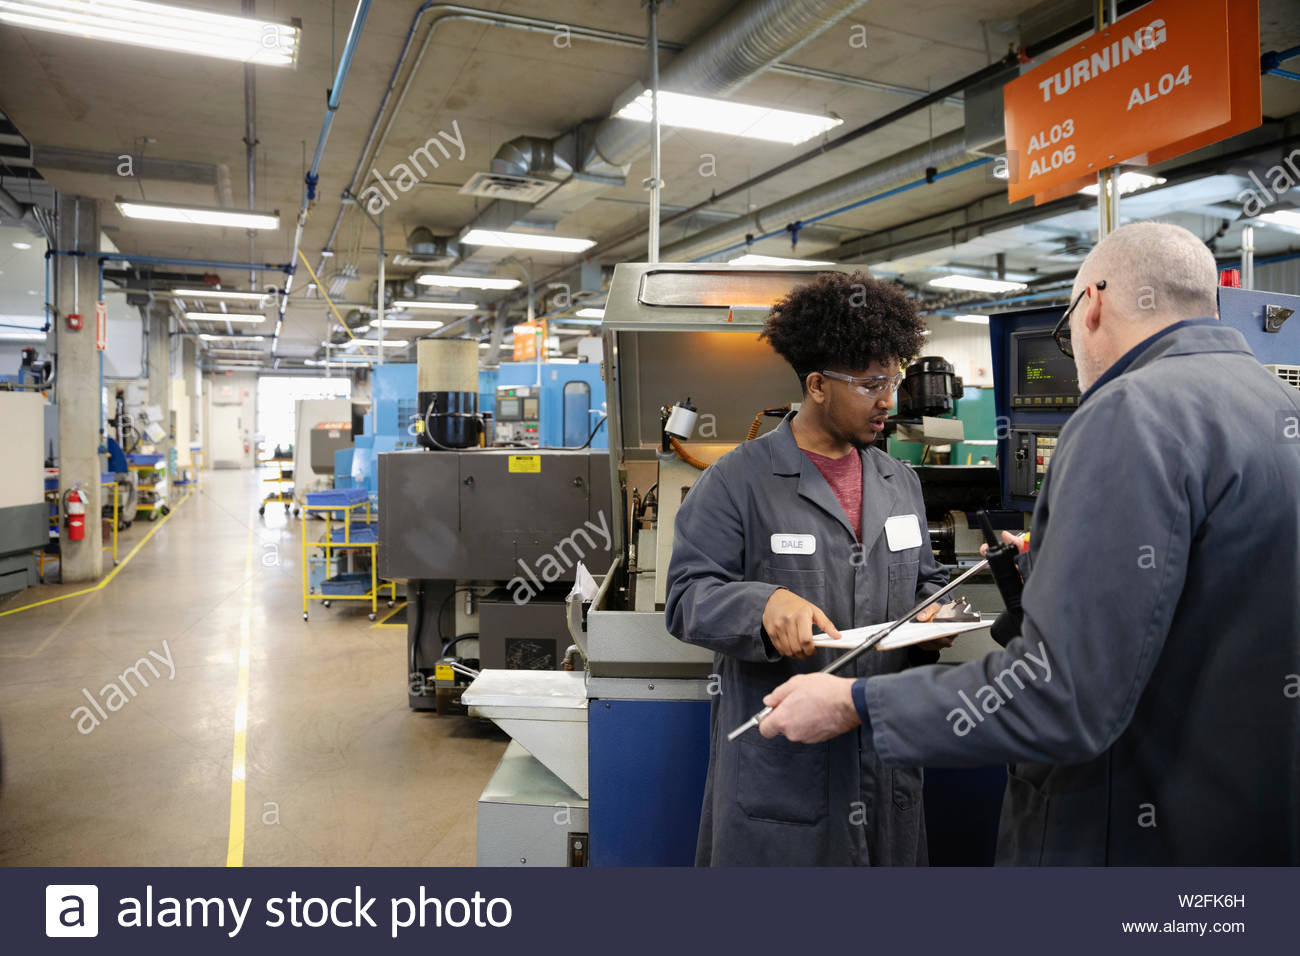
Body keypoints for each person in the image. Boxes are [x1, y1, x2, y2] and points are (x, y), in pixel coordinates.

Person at [758, 221, 1300, 865]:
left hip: (1126, 838)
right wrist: (1044, 577)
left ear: (1091, 304)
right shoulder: (1275, 403)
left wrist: (856, 703)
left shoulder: (1131, 412)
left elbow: (1062, 695)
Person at [664, 270, 950, 866]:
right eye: (871, 384)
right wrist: (762, 605)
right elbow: (688, 596)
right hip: (786, 767)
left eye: (892, 380)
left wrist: (937, 612)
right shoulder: (737, 480)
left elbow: (919, 579)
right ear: (817, 386)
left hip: (884, 758)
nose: (888, 401)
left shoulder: (901, 483)